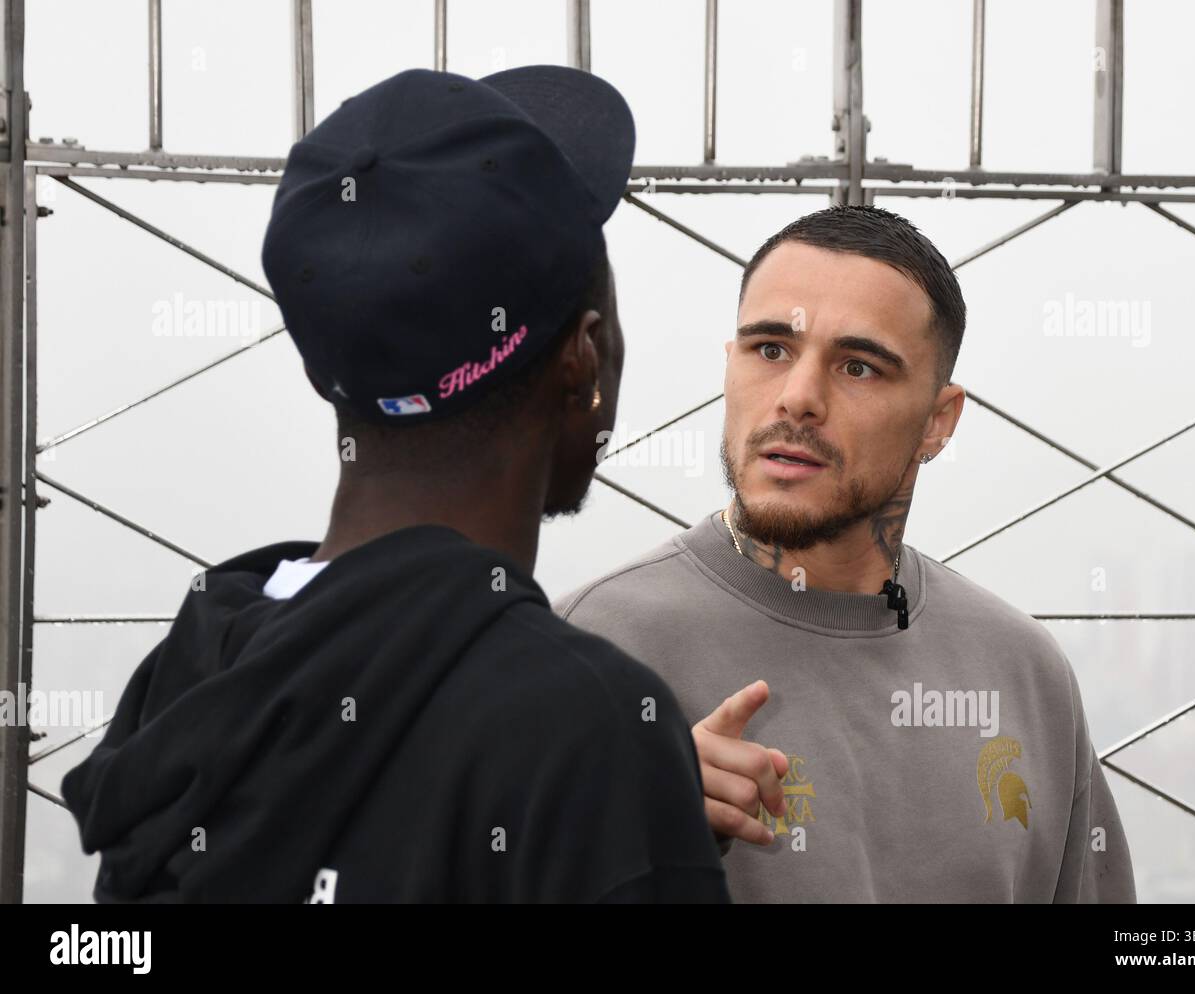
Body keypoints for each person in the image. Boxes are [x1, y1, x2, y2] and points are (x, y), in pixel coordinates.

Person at [61, 66, 729, 904]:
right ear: (583, 358)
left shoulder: (190, 680)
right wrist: (636, 836)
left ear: (321, 373)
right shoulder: (583, 731)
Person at [556, 204, 1137, 903]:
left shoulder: (1025, 674)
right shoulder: (592, 650)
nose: (797, 399)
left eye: (858, 367)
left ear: (937, 421)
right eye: (769, 349)